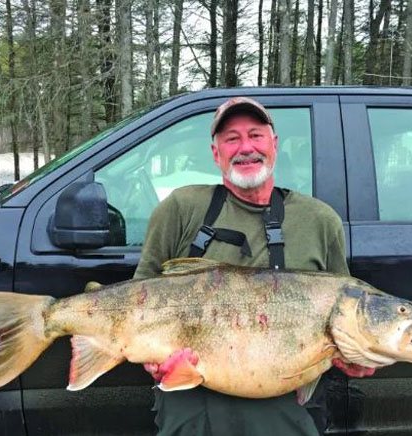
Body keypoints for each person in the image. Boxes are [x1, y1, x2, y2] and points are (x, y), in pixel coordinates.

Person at [132, 96, 375, 436]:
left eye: (256, 135)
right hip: (191, 395)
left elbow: (344, 316)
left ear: (274, 145)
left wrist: (355, 356)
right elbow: (139, 296)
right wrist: (152, 357)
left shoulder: (320, 221)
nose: (246, 147)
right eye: (232, 138)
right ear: (216, 153)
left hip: (286, 400)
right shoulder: (180, 209)